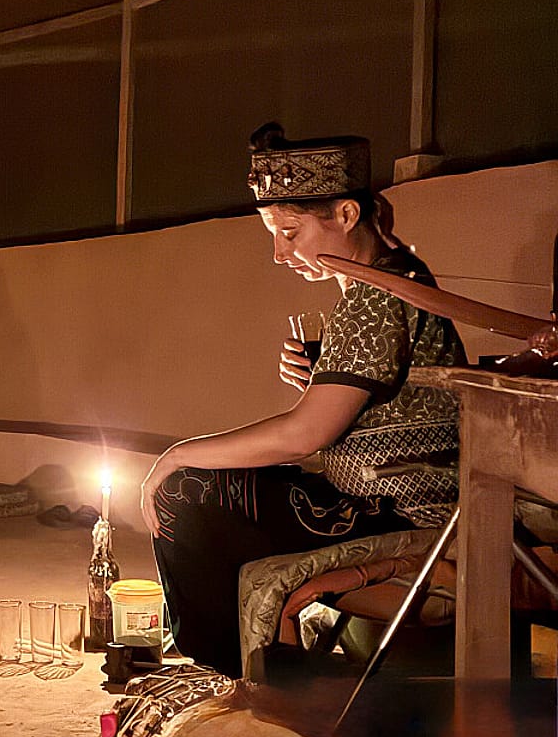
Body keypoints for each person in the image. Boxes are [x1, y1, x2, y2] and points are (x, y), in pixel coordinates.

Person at [139, 124, 466, 679]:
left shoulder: (376, 294)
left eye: (290, 232)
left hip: (397, 510)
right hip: (364, 495)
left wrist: (176, 454)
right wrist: (321, 384)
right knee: (224, 492)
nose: (278, 253)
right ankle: (239, 656)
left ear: (345, 215)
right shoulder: (398, 274)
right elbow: (384, 404)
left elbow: (305, 434)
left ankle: (223, 671)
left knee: (189, 489)